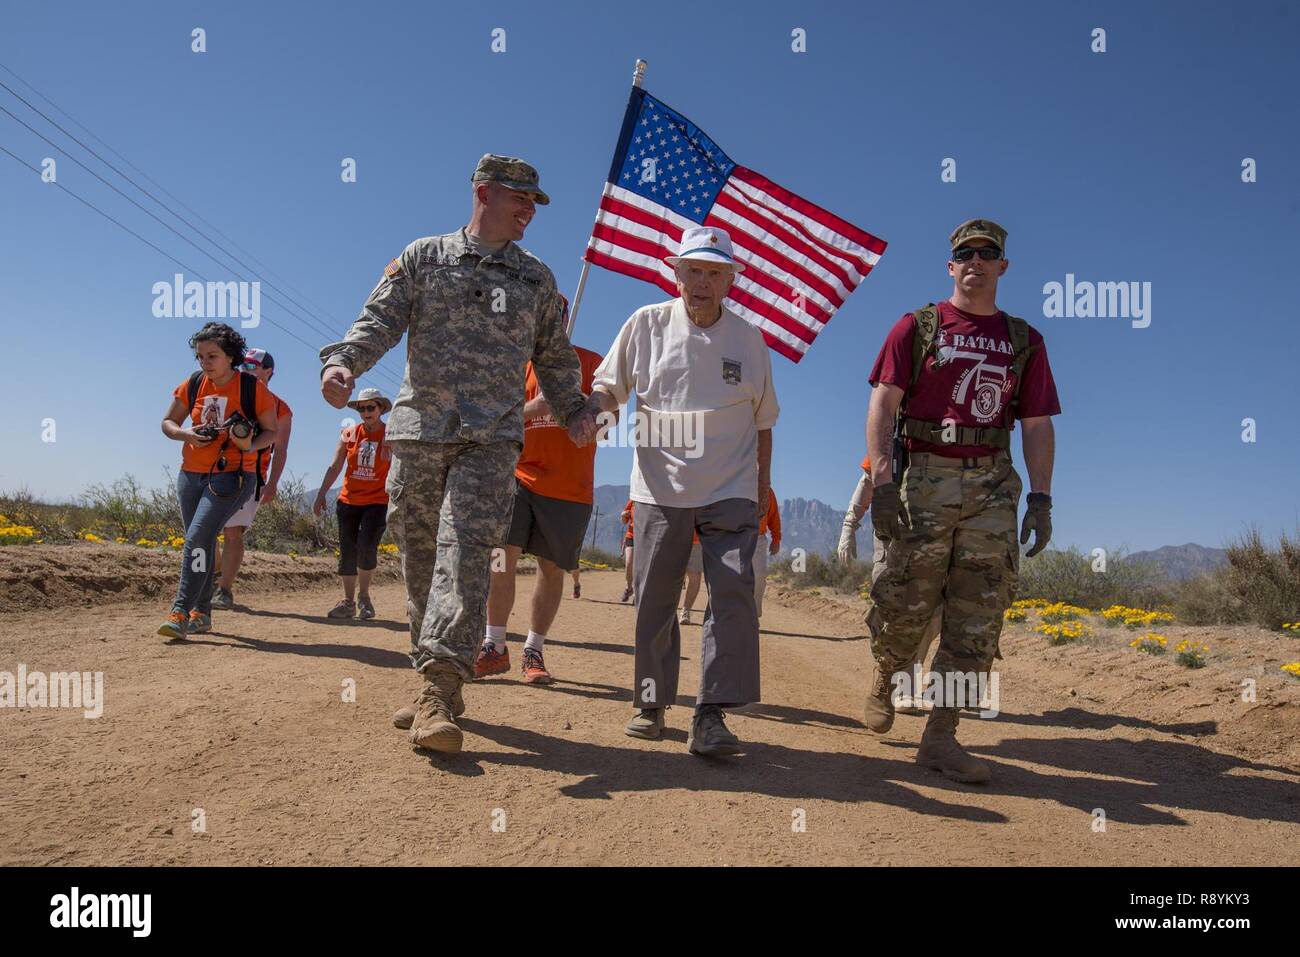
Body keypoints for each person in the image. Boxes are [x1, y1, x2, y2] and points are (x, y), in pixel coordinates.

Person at [321, 154, 598, 754]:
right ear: (483, 192)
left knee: (466, 555)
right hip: (419, 431)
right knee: (420, 557)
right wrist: (344, 362)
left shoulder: (535, 280)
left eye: (534, 202)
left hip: (491, 439)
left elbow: (555, 359)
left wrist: (576, 412)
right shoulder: (424, 257)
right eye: (519, 198)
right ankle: (430, 676)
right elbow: (378, 320)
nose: (529, 211)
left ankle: (443, 687)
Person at [863, 219, 1059, 783]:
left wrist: (1041, 496)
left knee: (979, 614)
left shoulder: (1024, 340)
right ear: (951, 266)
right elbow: (883, 403)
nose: (975, 260)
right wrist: (880, 483)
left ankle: (942, 736)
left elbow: (1038, 423)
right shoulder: (917, 326)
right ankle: (887, 669)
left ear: (1003, 265)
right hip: (924, 477)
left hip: (992, 481)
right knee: (905, 601)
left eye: (987, 252)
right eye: (964, 253)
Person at [588, 226, 779, 757]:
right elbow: (609, 388)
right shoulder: (645, 325)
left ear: (730, 282)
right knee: (655, 597)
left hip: (733, 485)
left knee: (734, 595)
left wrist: (762, 488)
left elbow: (764, 422)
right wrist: (595, 412)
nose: (702, 282)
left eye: (714, 273)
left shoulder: (749, 340)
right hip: (658, 485)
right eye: (693, 270)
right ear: (676, 273)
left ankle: (711, 715)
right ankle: (651, 702)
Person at [476, 344, 605, 684]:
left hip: (569, 487)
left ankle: (533, 650)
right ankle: (494, 644)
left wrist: (584, 412)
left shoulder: (591, 362)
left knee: (551, 569)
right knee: (500, 558)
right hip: (519, 475)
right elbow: (496, 416)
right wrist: (536, 407)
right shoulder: (517, 366)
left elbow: (610, 420)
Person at [158, 323, 279, 638]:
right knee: (202, 542)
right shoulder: (195, 383)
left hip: (233, 476)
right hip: (191, 474)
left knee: (196, 538)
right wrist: (187, 434)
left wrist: (248, 444)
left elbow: (271, 432)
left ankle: (180, 610)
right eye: (200, 356)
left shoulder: (252, 389)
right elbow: (168, 422)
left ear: (231, 357)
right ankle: (202, 612)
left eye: (212, 356)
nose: (205, 363)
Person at [840, 453, 940, 714]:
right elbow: (867, 480)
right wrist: (850, 525)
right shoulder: (893, 433)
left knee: (932, 613)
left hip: (936, 537)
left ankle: (909, 682)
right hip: (892, 535)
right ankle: (894, 682)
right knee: (889, 609)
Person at [211, 349, 292, 610]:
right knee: (206, 530)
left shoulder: (281, 408)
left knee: (232, 532)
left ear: (268, 371)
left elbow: (280, 449)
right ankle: (213, 577)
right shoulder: (227, 392)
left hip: (250, 476)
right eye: (242, 363)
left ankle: (224, 589)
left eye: (252, 364)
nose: (245, 367)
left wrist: (273, 483)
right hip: (215, 471)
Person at [312, 388, 393, 619]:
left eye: (371, 407)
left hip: (378, 501)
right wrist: (321, 495)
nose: (366, 412)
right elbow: (335, 466)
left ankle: (364, 597)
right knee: (347, 550)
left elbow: (400, 467)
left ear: (380, 409)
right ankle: (348, 602)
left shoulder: (391, 435)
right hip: (348, 501)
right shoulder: (349, 434)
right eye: (362, 408)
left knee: (367, 547)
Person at [754, 487, 780, 618]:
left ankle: (754, 614)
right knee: (737, 578)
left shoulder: (766, 490)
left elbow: (773, 515)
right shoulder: (735, 482)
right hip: (736, 537)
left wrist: (776, 539)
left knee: (759, 576)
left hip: (758, 538)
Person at [678, 531, 702, 624]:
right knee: (673, 576)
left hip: (697, 539)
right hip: (675, 539)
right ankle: (668, 609)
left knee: (695, 575)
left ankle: (686, 610)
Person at [619, 500, 635, 603]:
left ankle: (638, 593)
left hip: (647, 537)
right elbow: (624, 521)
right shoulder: (633, 501)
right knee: (629, 563)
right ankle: (629, 588)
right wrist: (623, 515)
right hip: (631, 536)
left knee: (642, 568)